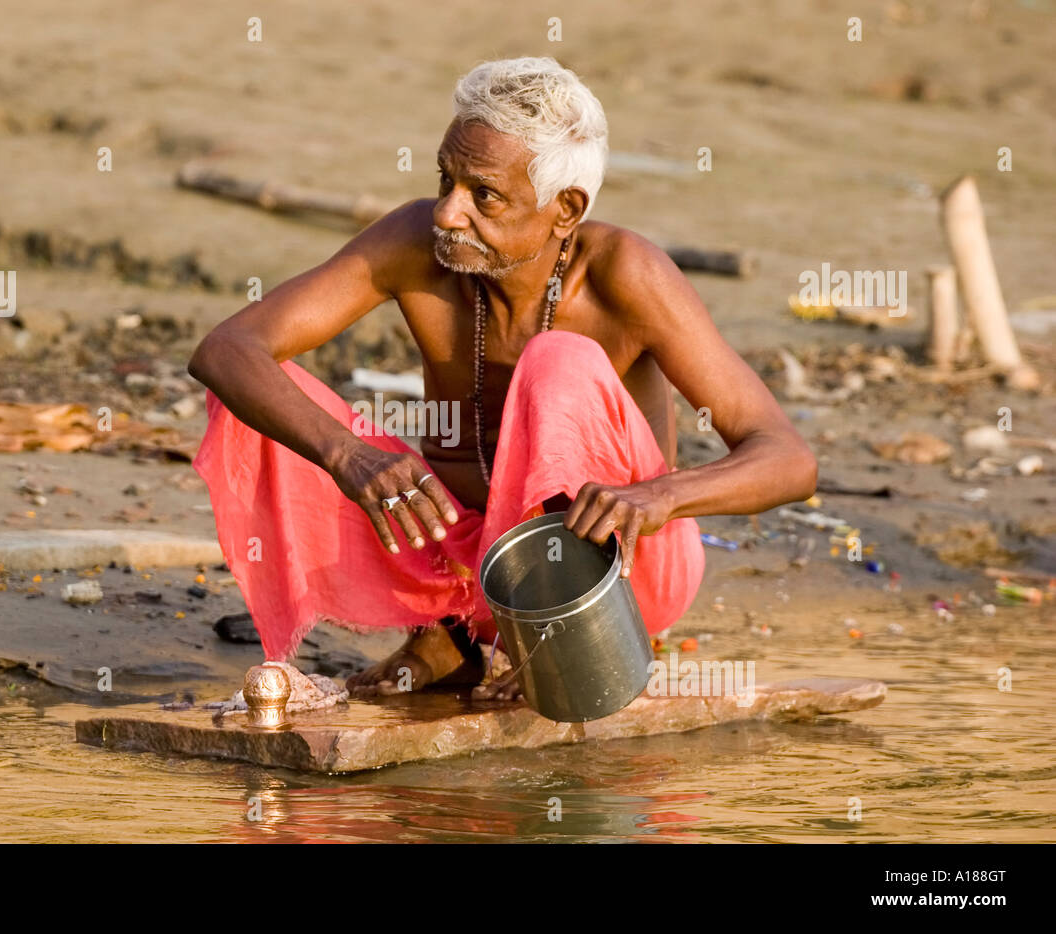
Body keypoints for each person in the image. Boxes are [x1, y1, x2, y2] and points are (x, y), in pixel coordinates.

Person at [189, 57, 816, 701]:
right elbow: (228, 348)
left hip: (612, 577)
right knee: (259, 397)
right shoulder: (416, 242)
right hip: (455, 565)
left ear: (565, 210)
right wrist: (345, 454)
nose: (447, 213)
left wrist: (661, 497)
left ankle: (555, 642)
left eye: (482, 195)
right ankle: (451, 637)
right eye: (445, 180)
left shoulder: (627, 273)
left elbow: (788, 458)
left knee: (558, 359)